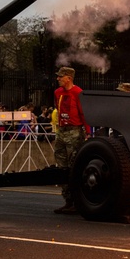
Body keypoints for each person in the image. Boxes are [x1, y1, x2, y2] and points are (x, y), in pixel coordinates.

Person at [53, 66, 87, 214]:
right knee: (62, 165)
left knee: (74, 165)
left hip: (74, 130)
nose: (58, 79)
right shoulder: (57, 92)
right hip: (62, 130)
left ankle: (76, 200)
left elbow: (83, 112)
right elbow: (58, 108)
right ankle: (68, 199)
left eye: (61, 77)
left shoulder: (78, 92)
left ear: (69, 78)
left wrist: (88, 131)